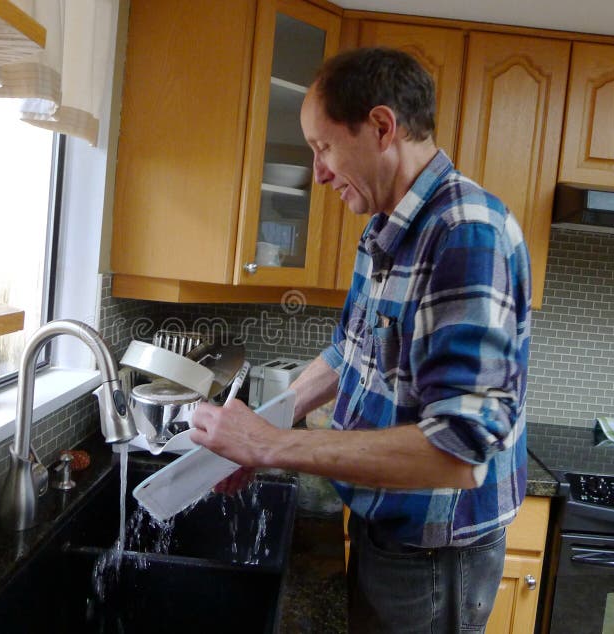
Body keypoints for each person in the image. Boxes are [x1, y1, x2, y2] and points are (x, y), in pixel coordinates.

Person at [190, 47, 531, 634]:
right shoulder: (385, 228)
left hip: (432, 557)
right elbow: (347, 356)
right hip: (385, 532)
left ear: (381, 128)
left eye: (323, 147)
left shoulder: (465, 234)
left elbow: (458, 450)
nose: (318, 172)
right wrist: (260, 428)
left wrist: (273, 446)